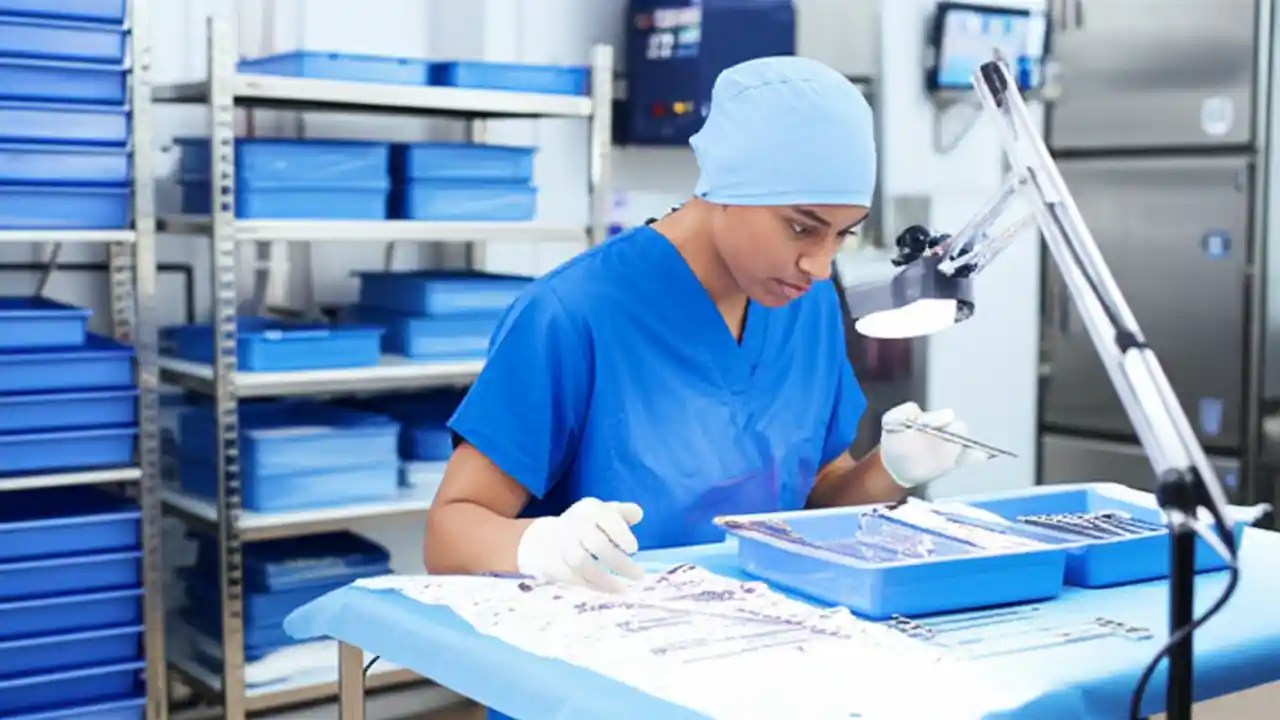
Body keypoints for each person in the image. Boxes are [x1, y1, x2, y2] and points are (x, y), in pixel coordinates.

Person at [424, 55, 985, 593]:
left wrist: (890, 469)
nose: (818, 265)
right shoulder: (572, 313)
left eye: (844, 234)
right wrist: (539, 545)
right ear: (728, 189)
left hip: (755, 644)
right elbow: (450, 532)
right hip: (594, 656)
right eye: (800, 228)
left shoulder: (805, 306)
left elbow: (817, 498)